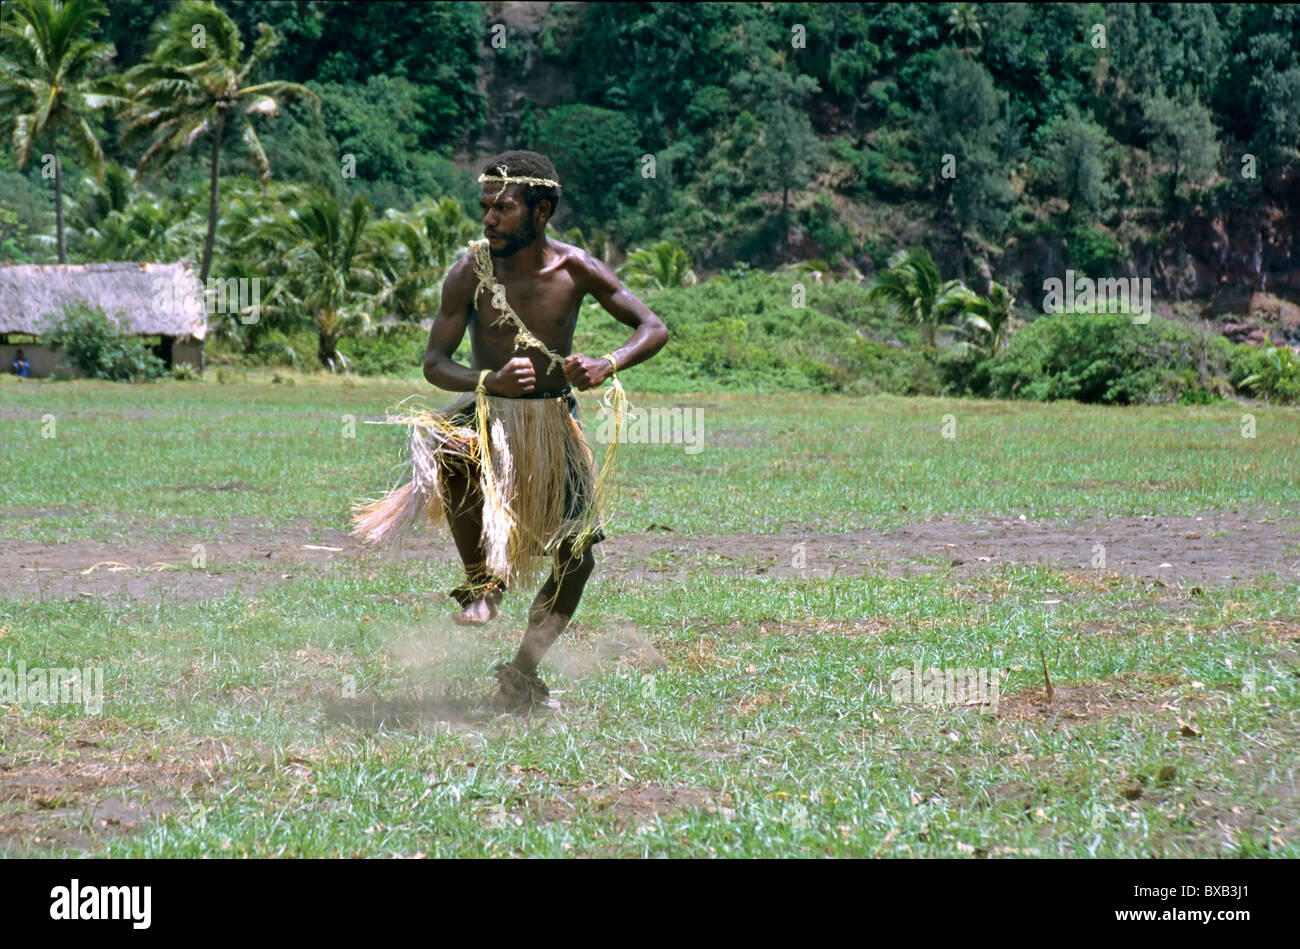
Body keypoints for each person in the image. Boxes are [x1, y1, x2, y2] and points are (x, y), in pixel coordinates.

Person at [353, 150, 669, 713]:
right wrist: (487, 378)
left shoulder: (576, 269)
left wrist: (607, 363)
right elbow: (434, 362)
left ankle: (522, 673)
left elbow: (653, 326)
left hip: (552, 426)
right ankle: (481, 582)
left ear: (541, 210)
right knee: (449, 447)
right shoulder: (469, 273)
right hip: (490, 415)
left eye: (503, 208)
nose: (489, 219)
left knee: (577, 560)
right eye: (485, 207)